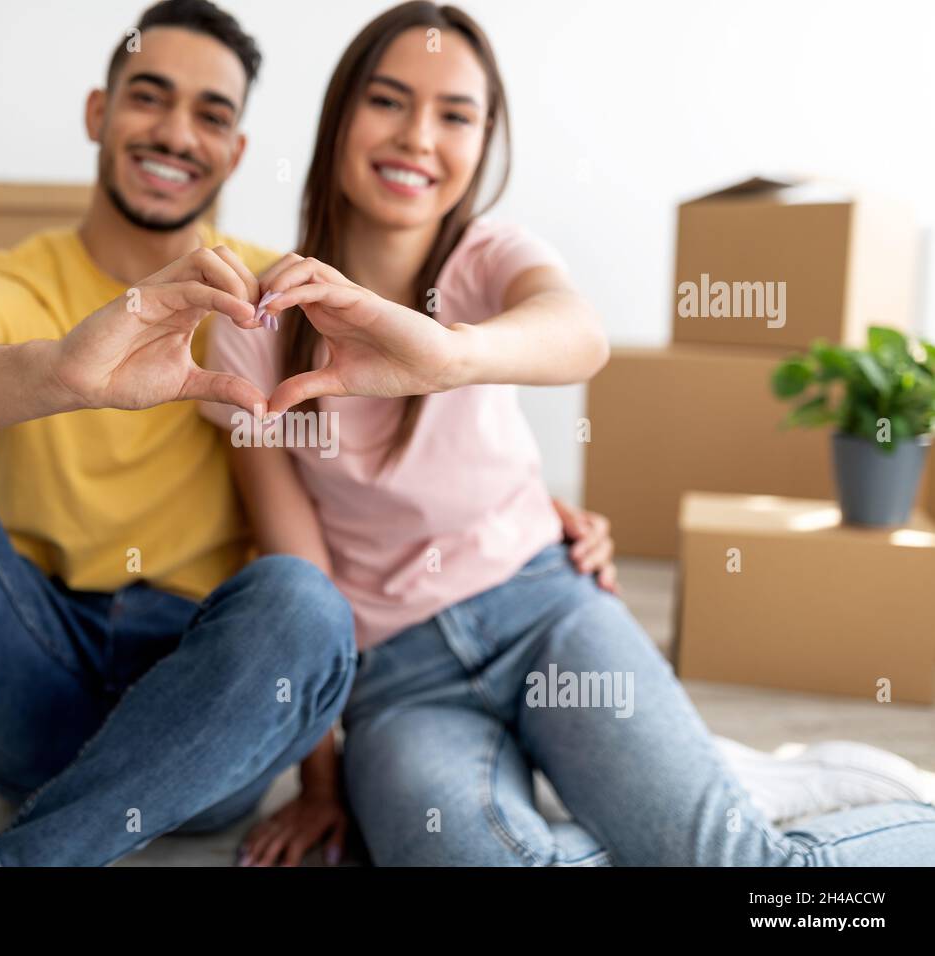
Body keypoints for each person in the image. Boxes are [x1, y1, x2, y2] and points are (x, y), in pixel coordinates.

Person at [202, 0, 935, 866]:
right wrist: (322, 782)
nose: (418, 138)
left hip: (546, 606)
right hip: (400, 681)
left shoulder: (488, 257)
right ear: (339, 116)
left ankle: (714, 806)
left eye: (456, 114)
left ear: (484, 143)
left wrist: (446, 351)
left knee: (742, 867)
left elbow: (577, 333)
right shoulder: (253, 321)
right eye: (389, 100)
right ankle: (653, 805)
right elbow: (301, 579)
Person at [0, 0, 368, 868]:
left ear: (236, 151)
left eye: (211, 115)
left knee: (302, 599)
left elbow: (352, 505)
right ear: (99, 112)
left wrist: (326, 784)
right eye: (149, 97)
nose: (176, 133)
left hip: (200, 699)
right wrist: (56, 371)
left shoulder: (266, 296)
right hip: (31, 678)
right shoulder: (10, 282)